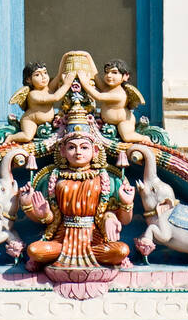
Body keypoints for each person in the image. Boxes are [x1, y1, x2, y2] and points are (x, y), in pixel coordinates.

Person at [19, 103, 135, 269]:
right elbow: (48, 219)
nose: (78, 152)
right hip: (61, 240)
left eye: (84, 147)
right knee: (35, 250)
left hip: (94, 240)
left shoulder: (107, 178)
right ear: (62, 151)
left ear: (95, 151)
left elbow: (124, 219)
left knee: (121, 250)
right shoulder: (53, 177)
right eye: (72, 147)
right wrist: (32, 208)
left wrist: (123, 205)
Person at [8, 61, 76, 142]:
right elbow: (55, 97)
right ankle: (11, 137)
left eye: (45, 73)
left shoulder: (49, 89)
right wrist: (66, 84)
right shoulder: (33, 94)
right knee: (27, 136)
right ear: (28, 80)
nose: (43, 77)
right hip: (30, 120)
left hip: (47, 125)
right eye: (37, 75)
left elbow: (59, 75)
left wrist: (65, 59)